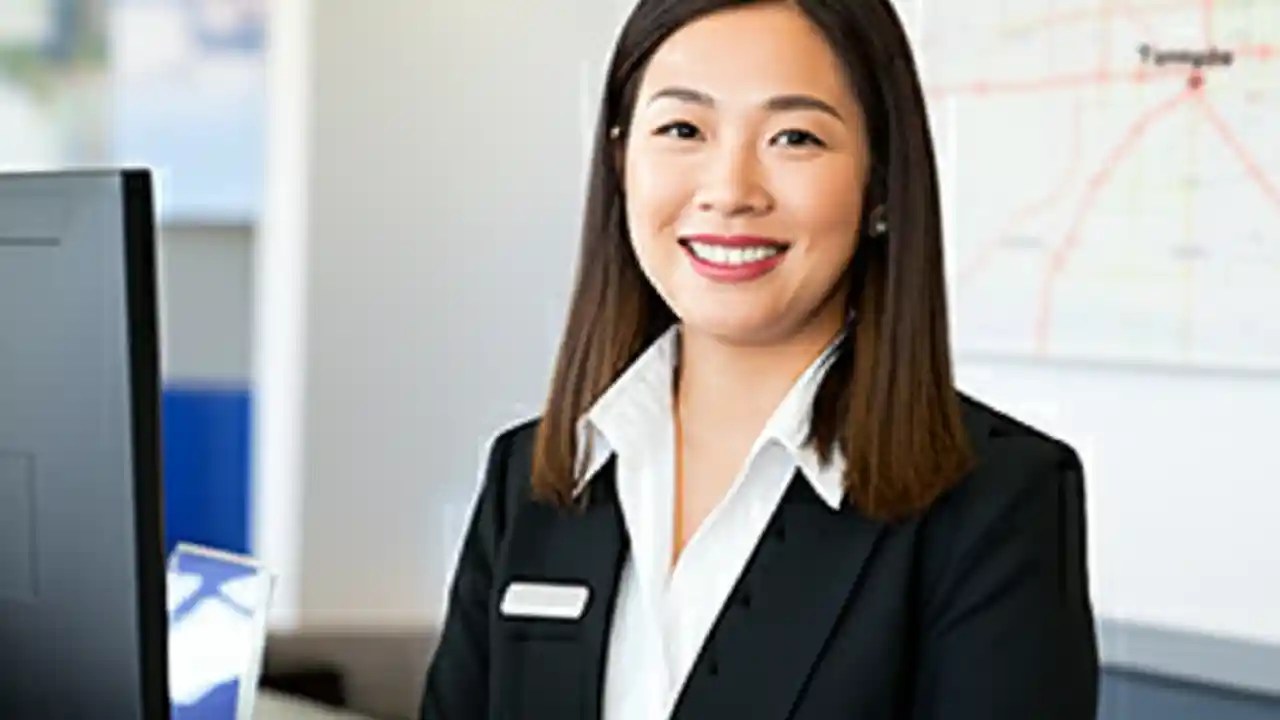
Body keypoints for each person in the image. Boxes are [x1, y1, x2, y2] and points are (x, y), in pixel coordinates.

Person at [420, 0, 1099, 717]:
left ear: (882, 183)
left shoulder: (998, 502)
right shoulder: (530, 477)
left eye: (795, 137)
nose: (731, 192)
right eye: (683, 129)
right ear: (621, 162)